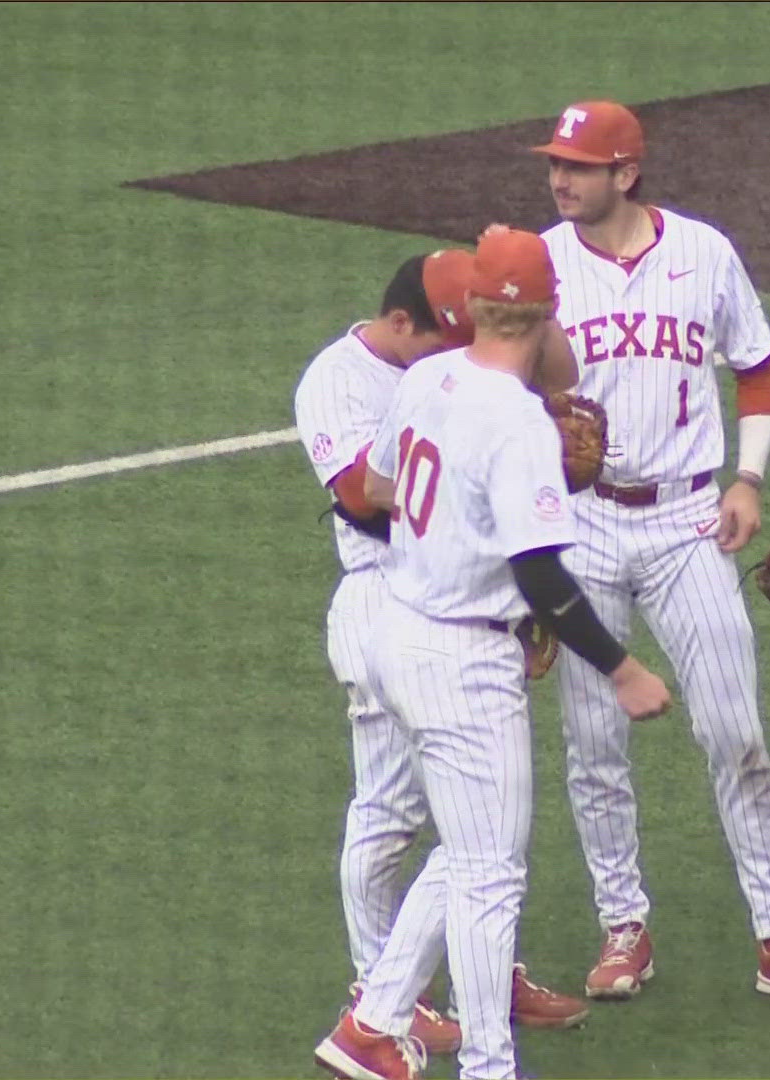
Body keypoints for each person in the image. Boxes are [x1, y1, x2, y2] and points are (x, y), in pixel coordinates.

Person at [312, 226, 673, 1080]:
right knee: (490, 877)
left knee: (471, 850)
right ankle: (487, 1065)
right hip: (465, 662)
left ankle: (373, 1025)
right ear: (547, 312)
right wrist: (622, 669)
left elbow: (383, 489)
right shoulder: (517, 423)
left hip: (398, 629)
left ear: (473, 306)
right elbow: (541, 570)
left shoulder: (429, 375)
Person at [527, 100, 770, 1008]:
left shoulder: (704, 252)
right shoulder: (539, 264)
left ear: (626, 173)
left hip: (684, 525)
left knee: (735, 731)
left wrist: (747, 480)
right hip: (581, 527)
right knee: (594, 742)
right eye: (555, 164)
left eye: (579, 166)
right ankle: (621, 925)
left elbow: (755, 364)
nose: (560, 179)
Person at [293, 249, 588, 1061]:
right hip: (391, 604)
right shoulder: (339, 379)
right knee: (392, 814)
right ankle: (381, 994)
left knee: (471, 837)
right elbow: (360, 498)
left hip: (442, 597)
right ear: (399, 324)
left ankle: (426, 995)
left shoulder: (440, 377)